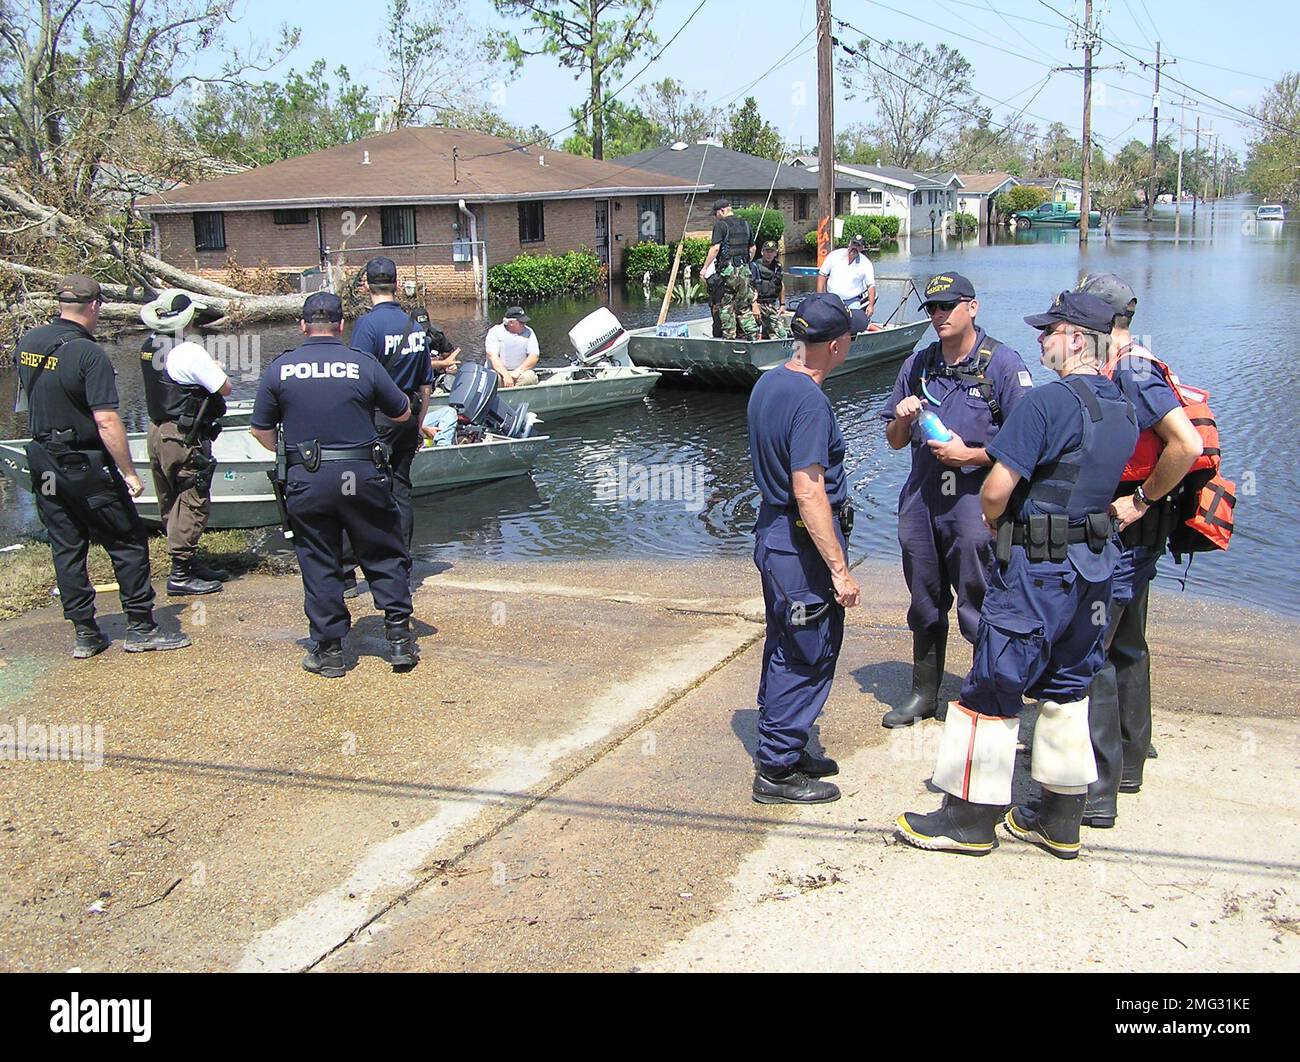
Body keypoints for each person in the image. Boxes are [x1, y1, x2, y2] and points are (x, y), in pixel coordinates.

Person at [895, 291, 1137, 859]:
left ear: (1078, 338)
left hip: (1038, 571)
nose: (1041, 339)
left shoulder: (1047, 404)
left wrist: (998, 524)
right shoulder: (1122, 407)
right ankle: (1060, 818)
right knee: (1066, 690)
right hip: (1094, 571)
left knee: (991, 684)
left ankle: (969, 819)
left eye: (1050, 330)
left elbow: (997, 491)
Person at [1075, 273, 1203, 828]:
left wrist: (1142, 501)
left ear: (1099, 323)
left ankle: (1097, 791)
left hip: (1126, 532)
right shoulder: (1134, 362)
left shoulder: (1130, 369)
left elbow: (1186, 444)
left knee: (1095, 653)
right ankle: (1129, 762)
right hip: (1137, 535)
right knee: (1128, 643)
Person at [879, 273, 1032, 728]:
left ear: (973, 307)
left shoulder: (1003, 364)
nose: (939, 316)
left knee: (979, 600)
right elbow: (891, 439)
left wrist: (973, 454)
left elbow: (1029, 444)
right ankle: (924, 694)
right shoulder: (918, 365)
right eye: (932, 309)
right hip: (922, 499)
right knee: (924, 600)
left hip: (976, 498)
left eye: (948, 306)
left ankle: (989, 692)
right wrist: (904, 419)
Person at [15, 275, 190, 657]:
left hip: (43, 461)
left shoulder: (28, 342)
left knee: (66, 544)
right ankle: (141, 626)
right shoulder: (88, 354)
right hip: (83, 461)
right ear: (95, 306)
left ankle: (85, 632)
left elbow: (27, 399)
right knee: (126, 539)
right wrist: (128, 472)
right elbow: (107, 421)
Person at [249, 292, 418, 678]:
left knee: (319, 559)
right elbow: (403, 412)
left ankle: (329, 653)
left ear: (303, 325)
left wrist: (293, 456)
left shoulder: (281, 368)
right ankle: (398, 640)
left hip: (308, 478)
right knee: (382, 550)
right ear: (342, 326)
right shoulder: (364, 364)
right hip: (360, 475)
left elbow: (259, 430)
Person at [747, 293, 865, 805]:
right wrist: (839, 569)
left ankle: (787, 746)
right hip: (799, 545)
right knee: (807, 653)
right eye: (851, 336)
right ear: (837, 345)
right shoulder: (811, 402)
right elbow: (809, 489)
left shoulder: (770, 381)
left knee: (784, 643)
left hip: (773, 535)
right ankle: (775, 771)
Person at [338, 258, 434, 595]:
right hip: (408, 416)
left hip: (375, 419)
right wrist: (419, 426)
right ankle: (401, 568)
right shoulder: (415, 326)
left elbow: (356, 377)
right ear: (396, 282)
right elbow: (426, 384)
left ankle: (347, 573)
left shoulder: (367, 326)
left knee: (354, 492)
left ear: (366, 285)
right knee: (400, 492)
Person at [139, 289, 233, 596]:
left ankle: (187, 561)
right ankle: (180, 572)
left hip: (157, 431)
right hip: (183, 435)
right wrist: (216, 368)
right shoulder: (189, 351)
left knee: (170, 496)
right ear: (187, 319)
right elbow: (225, 388)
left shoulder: (149, 345)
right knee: (193, 495)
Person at [700, 199, 758, 341]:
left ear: (722, 211)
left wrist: (705, 268)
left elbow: (715, 248)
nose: (716, 217)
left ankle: (729, 339)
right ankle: (754, 337)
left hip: (728, 272)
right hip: (744, 271)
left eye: (715, 214)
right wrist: (745, 264)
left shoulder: (721, 225)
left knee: (726, 306)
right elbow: (753, 249)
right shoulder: (746, 224)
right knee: (744, 307)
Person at [816, 234, 876, 318]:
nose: (854, 247)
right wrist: (819, 296)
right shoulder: (834, 255)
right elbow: (822, 274)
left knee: (852, 324)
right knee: (830, 322)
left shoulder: (866, 263)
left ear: (862, 248)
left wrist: (871, 305)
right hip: (832, 298)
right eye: (854, 244)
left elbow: (871, 286)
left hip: (853, 300)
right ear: (849, 244)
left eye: (858, 245)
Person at [485, 307, 540, 387]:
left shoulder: (529, 332)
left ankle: (516, 394)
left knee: (530, 378)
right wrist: (506, 375)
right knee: (494, 379)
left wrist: (518, 372)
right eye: (521, 322)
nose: (524, 325)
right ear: (511, 323)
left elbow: (534, 356)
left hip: (520, 372)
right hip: (498, 371)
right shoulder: (495, 332)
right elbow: (493, 357)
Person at [750, 240, 789, 339]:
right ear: (762, 252)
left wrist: (782, 304)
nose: (769, 254)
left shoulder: (777, 267)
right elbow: (749, 287)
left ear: (776, 253)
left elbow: (780, 284)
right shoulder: (754, 266)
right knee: (753, 334)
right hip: (757, 305)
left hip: (771, 306)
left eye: (772, 251)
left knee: (782, 335)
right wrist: (754, 305)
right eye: (767, 251)